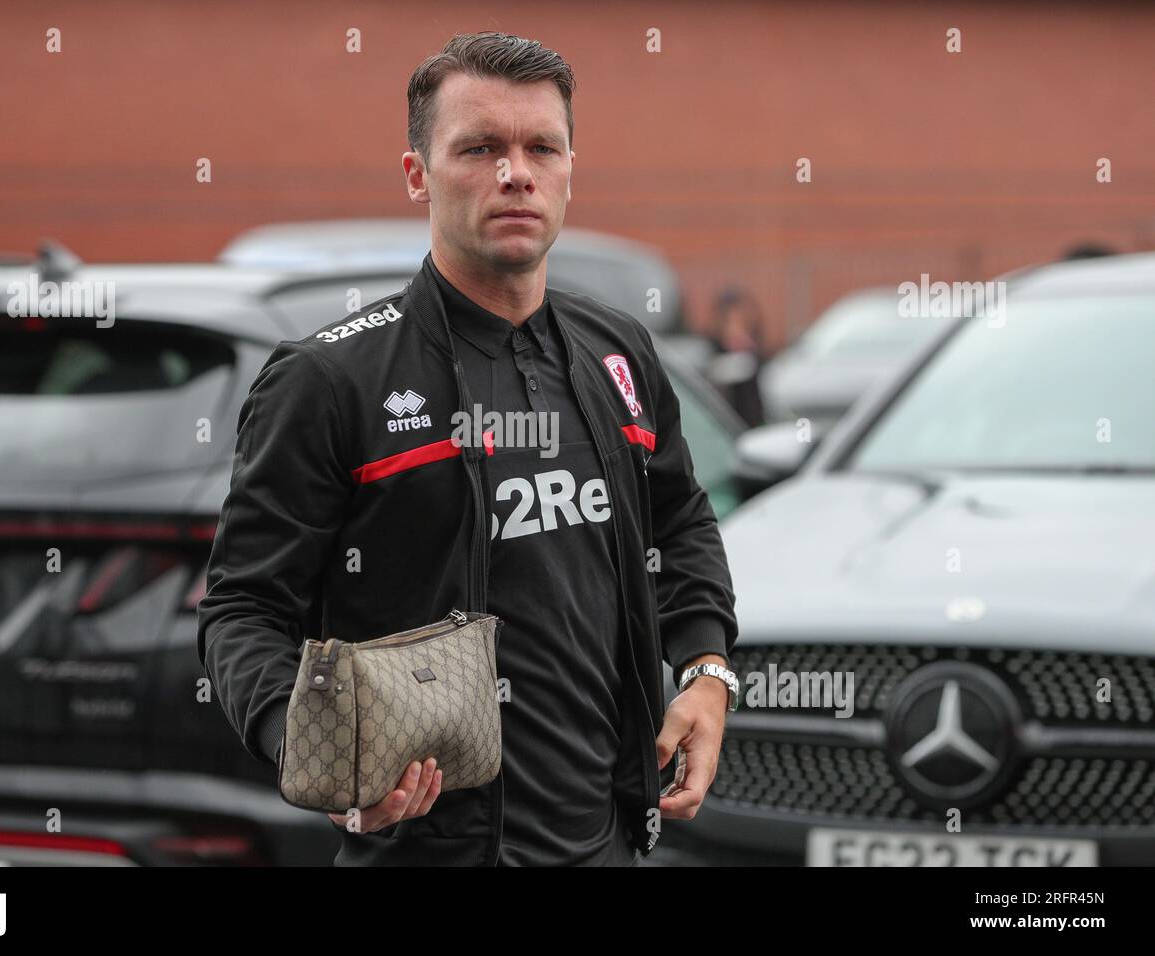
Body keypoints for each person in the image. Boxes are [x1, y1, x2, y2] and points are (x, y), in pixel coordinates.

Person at [197, 31, 739, 867]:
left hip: (609, 842)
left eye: (539, 148)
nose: (514, 172)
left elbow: (681, 518)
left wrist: (706, 669)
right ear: (418, 173)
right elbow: (243, 609)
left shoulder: (617, 349)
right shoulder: (331, 380)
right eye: (479, 148)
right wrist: (312, 756)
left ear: (568, 169)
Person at [706, 285, 768, 428]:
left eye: (741, 322)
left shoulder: (754, 355)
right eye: (730, 322)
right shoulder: (713, 353)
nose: (736, 329)